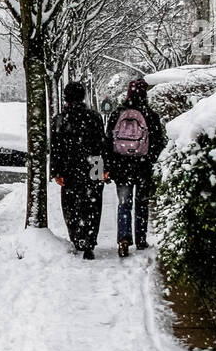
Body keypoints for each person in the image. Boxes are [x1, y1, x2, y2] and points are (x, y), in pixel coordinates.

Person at [105, 77, 167, 258]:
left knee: (124, 204)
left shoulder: (118, 114)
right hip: (143, 168)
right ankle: (140, 239)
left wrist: (109, 165)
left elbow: (108, 141)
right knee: (142, 204)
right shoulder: (150, 115)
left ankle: (123, 239)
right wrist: (149, 159)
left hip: (122, 166)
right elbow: (158, 143)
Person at [50, 80, 107, 259]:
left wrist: (56, 171)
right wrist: (104, 168)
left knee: (71, 205)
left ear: (65, 97)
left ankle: (77, 237)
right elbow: (101, 145)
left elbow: (56, 148)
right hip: (93, 166)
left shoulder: (59, 120)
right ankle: (90, 240)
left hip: (69, 168)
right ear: (83, 97)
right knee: (92, 203)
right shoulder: (95, 117)